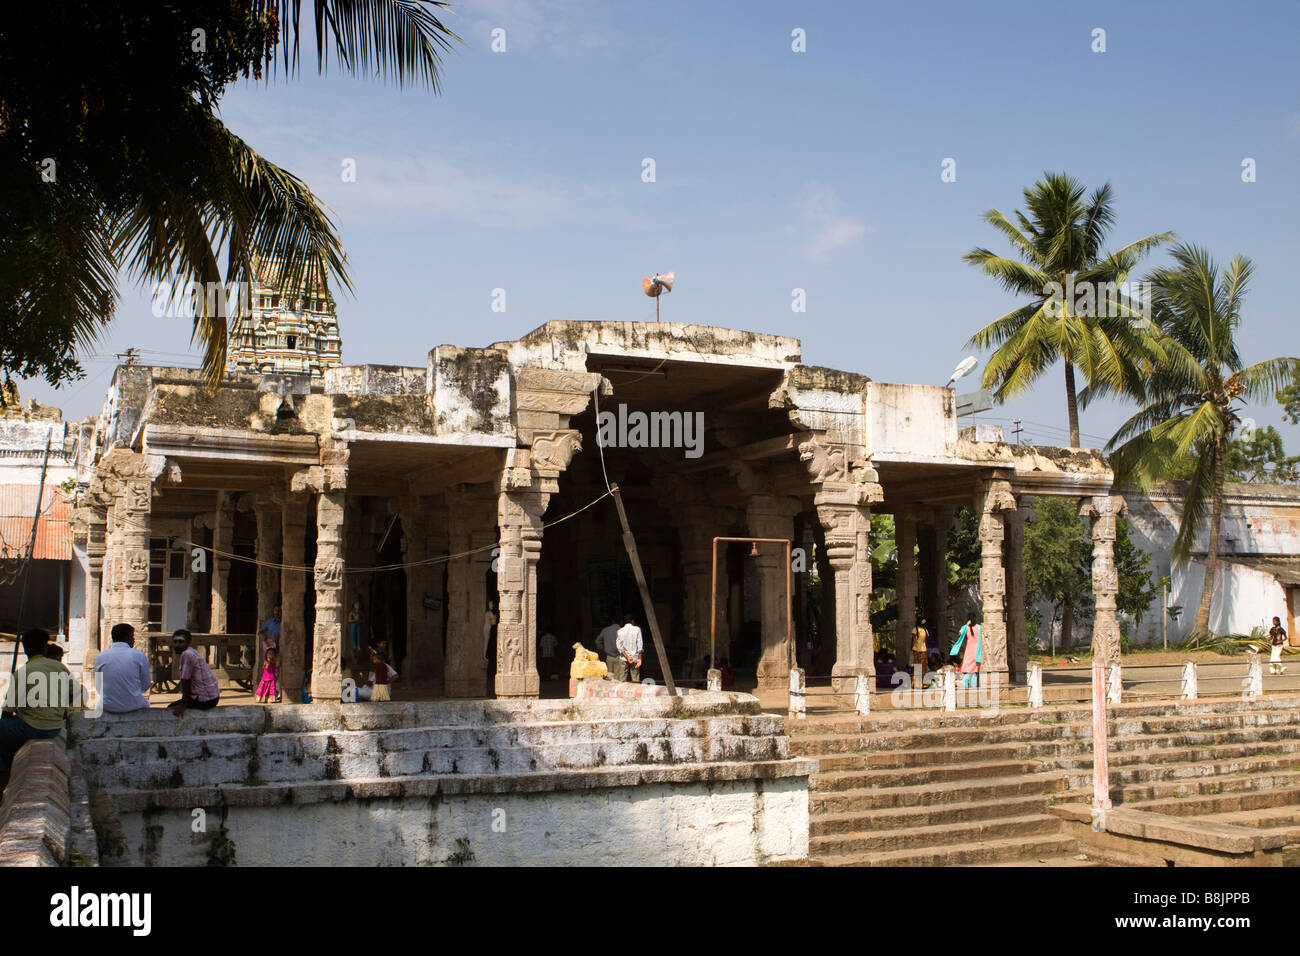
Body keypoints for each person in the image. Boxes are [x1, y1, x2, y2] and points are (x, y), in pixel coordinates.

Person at [0, 630, 70, 786]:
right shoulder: (59, 667)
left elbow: (7, 711)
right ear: (45, 648)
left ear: (25, 649)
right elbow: (74, 694)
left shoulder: (23, 672)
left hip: (35, 727)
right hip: (55, 726)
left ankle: (4, 774)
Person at [93, 622, 151, 714]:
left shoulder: (101, 656)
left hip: (108, 705)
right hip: (133, 704)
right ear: (127, 637)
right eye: (132, 636)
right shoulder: (138, 655)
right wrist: (133, 691)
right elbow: (146, 684)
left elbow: (98, 685)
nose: (133, 640)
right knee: (147, 704)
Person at [168, 629, 220, 713]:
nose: (177, 645)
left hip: (205, 700)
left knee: (170, 708)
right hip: (213, 697)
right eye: (175, 642)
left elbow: (185, 680)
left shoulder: (187, 654)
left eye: (181, 642)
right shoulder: (192, 651)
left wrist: (183, 705)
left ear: (188, 643)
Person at [951, 615, 982, 688]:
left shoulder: (966, 628)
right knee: (974, 671)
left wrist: (966, 624)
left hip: (969, 651)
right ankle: (973, 686)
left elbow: (959, 633)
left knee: (967, 670)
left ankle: (965, 685)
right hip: (977, 651)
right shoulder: (980, 627)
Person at [616, 613, 643, 683]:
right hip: (635, 658)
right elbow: (640, 645)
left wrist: (627, 657)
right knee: (635, 680)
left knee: (622, 679)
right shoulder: (637, 629)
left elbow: (619, 646)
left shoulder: (620, 631)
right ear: (632, 621)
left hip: (623, 658)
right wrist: (640, 659)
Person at [911, 617, 930, 682]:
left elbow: (925, 640)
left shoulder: (925, 630)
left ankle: (923, 682)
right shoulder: (915, 629)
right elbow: (912, 640)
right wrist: (912, 648)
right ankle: (916, 682)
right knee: (917, 666)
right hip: (916, 650)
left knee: (924, 666)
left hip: (923, 650)